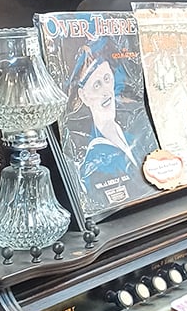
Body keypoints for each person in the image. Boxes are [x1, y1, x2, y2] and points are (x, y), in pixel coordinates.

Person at [67, 43, 157, 215]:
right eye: (96, 85)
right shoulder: (90, 159)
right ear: (83, 95)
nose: (106, 92)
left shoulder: (135, 131)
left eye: (107, 79)